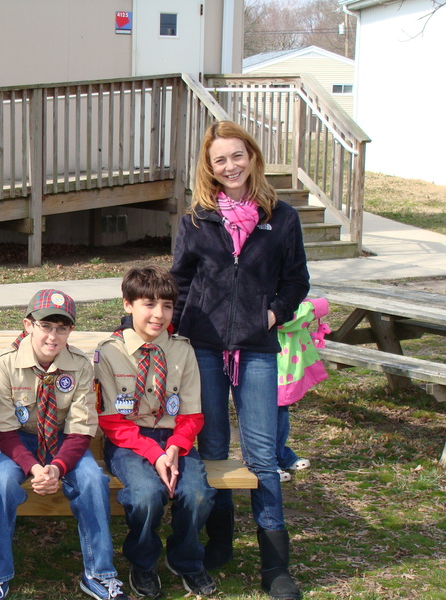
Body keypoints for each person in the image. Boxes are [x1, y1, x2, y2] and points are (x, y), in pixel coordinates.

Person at [169, 120, 309, 600]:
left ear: (252, 157)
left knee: (263, 455)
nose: (229, 166)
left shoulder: (282, 216)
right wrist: (169, 330)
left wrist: (271, 315)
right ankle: (219, 540)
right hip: (203, 346)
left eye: (237, 156)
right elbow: (180, 284)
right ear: (208, 169)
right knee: (211, 450)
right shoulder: (195, 220)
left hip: (255, 348)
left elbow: (296, 281)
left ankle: (275, 566)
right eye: (219, 160)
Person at [0, 289, 128, 600]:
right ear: (28, 325)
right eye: (46, 326)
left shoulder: (80, 365)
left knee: (93, 479)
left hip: (63, 441)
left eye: (62, 327)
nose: (53, 335)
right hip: (17, 440)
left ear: (71, 330)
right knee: (2, 482)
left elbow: (81, 430)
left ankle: (100, 574)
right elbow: (4, 432)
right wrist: (34, 468)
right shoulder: (6, 364)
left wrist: (58, 467)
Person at [94, 266, 216, 599]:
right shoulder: (109, 353)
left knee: (197, 494)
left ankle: (186, 559)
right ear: (127, 304)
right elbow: (111, 421)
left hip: (176, 440)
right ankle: (143, 560)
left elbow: (192, 414)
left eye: (167, 305)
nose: (159, 315)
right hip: (129, 441)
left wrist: (175, 448)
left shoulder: (182, 350)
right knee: (145, 496)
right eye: (148, 304)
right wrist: (154, 454)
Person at [276, 297, 330, 482]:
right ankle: (267, 461)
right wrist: (313, 308)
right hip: (274, 366)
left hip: (285, 366)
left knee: (280, 413)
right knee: (269, 417)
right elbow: (284, 319)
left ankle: (280, 455)